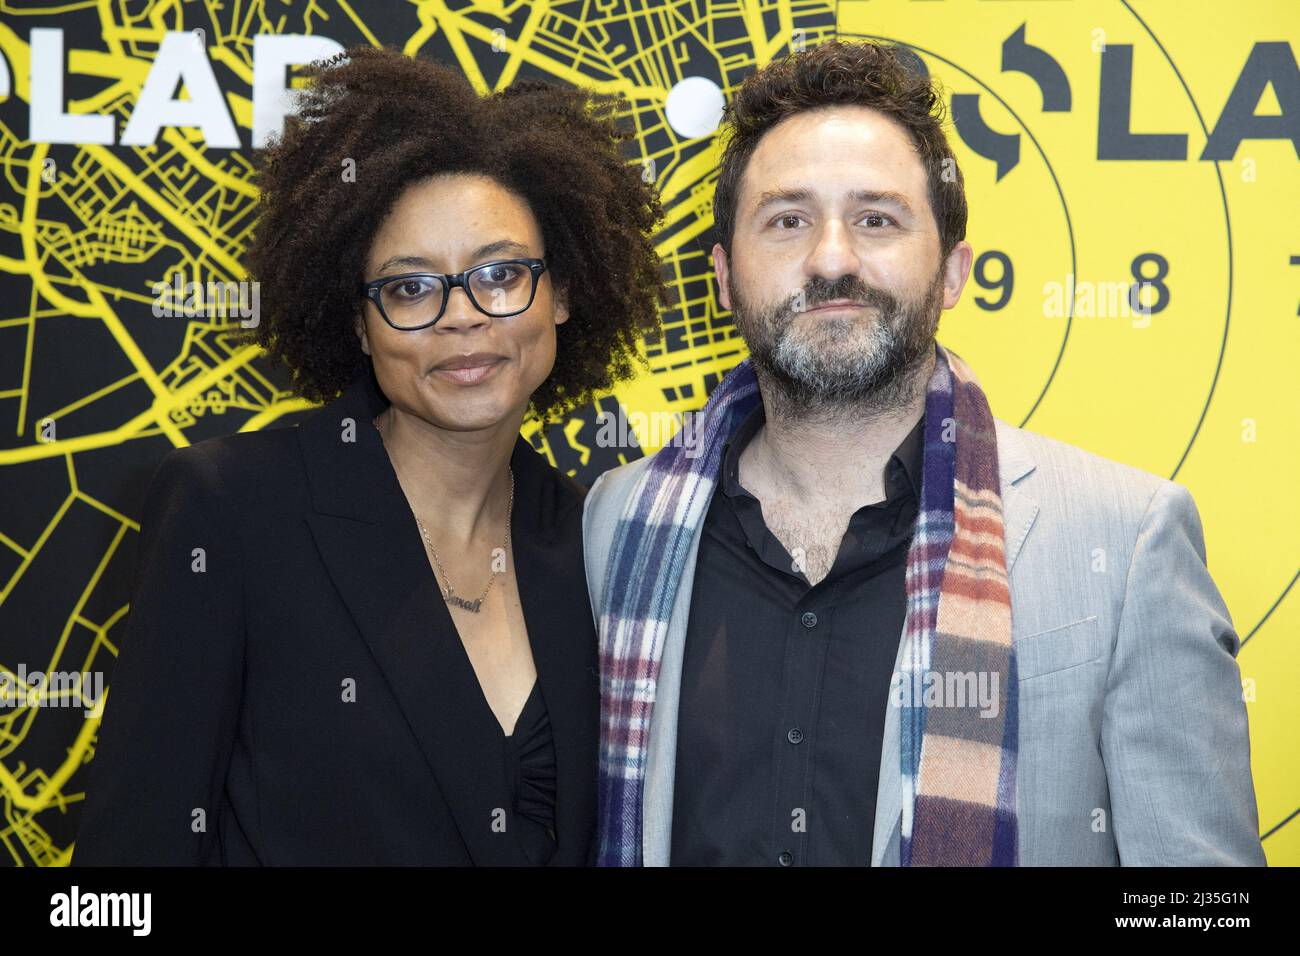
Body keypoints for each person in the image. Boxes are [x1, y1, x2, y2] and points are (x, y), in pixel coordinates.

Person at [583, 39, 1265, 866]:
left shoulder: (1124, 543)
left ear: (951, 272)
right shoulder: (617, 524)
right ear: (724, 277)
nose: (832, 258)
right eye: (787, 219)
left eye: (876, 218)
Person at [73, 46, 665, 865]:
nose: (464, 316)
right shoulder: (237, 510)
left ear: (561, 294)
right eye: (411, 287)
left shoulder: (593, 540)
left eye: (500, 273)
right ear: (359, 325)